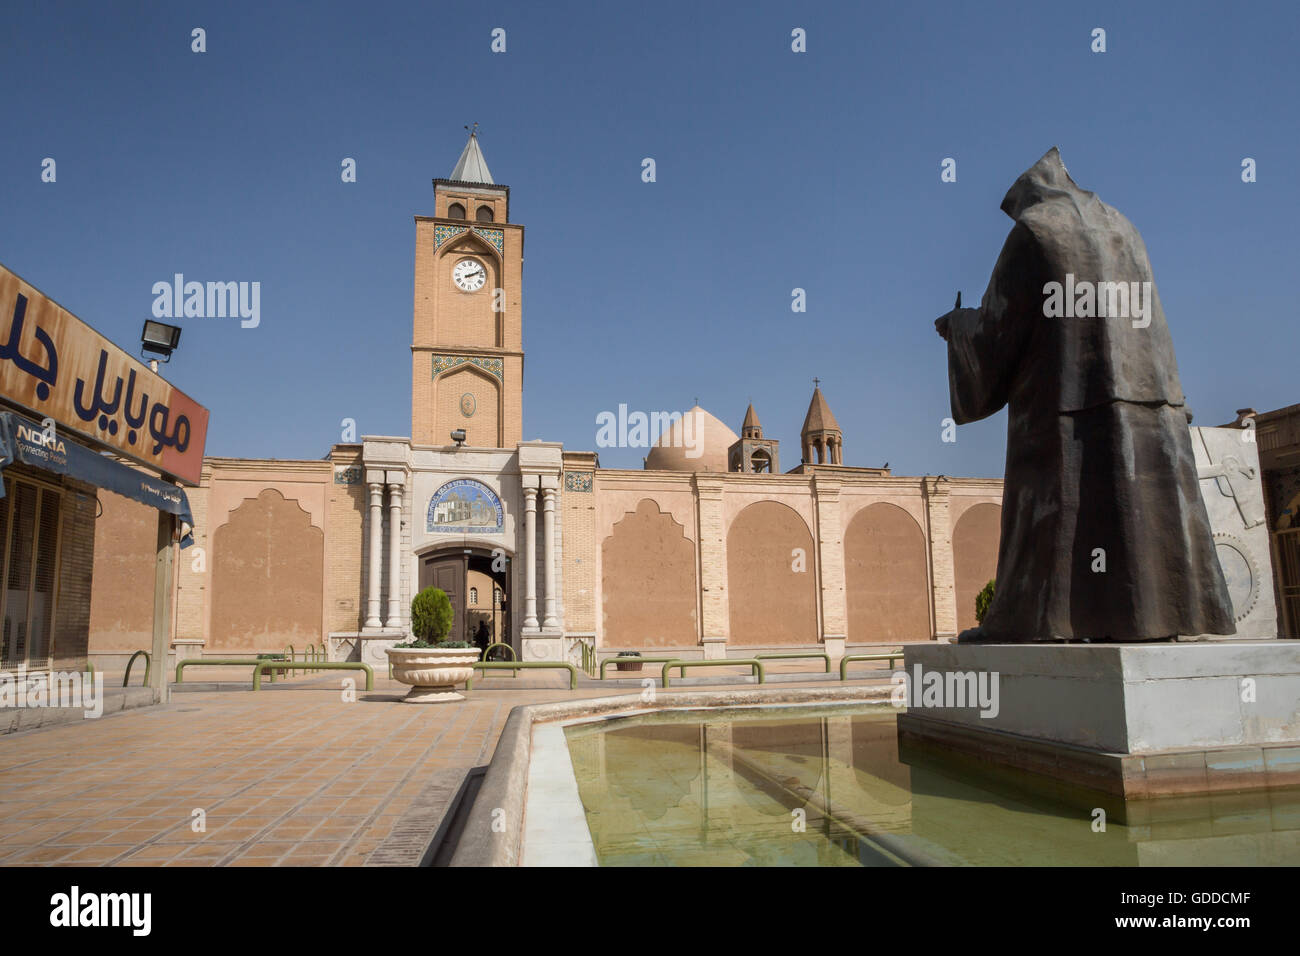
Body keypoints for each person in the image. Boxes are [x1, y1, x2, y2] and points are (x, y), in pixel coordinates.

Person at [935, 147, 1234, 643]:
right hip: (1149, 406)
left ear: (1025, 196)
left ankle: (1038, 623)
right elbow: (1154, 329)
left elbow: (995, 335)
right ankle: (1167, 618)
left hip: (1065, 411)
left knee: (1060, 513)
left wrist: (959, 328)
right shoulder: (1123, 228)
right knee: (1143, 515)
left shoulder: (1033, 232)